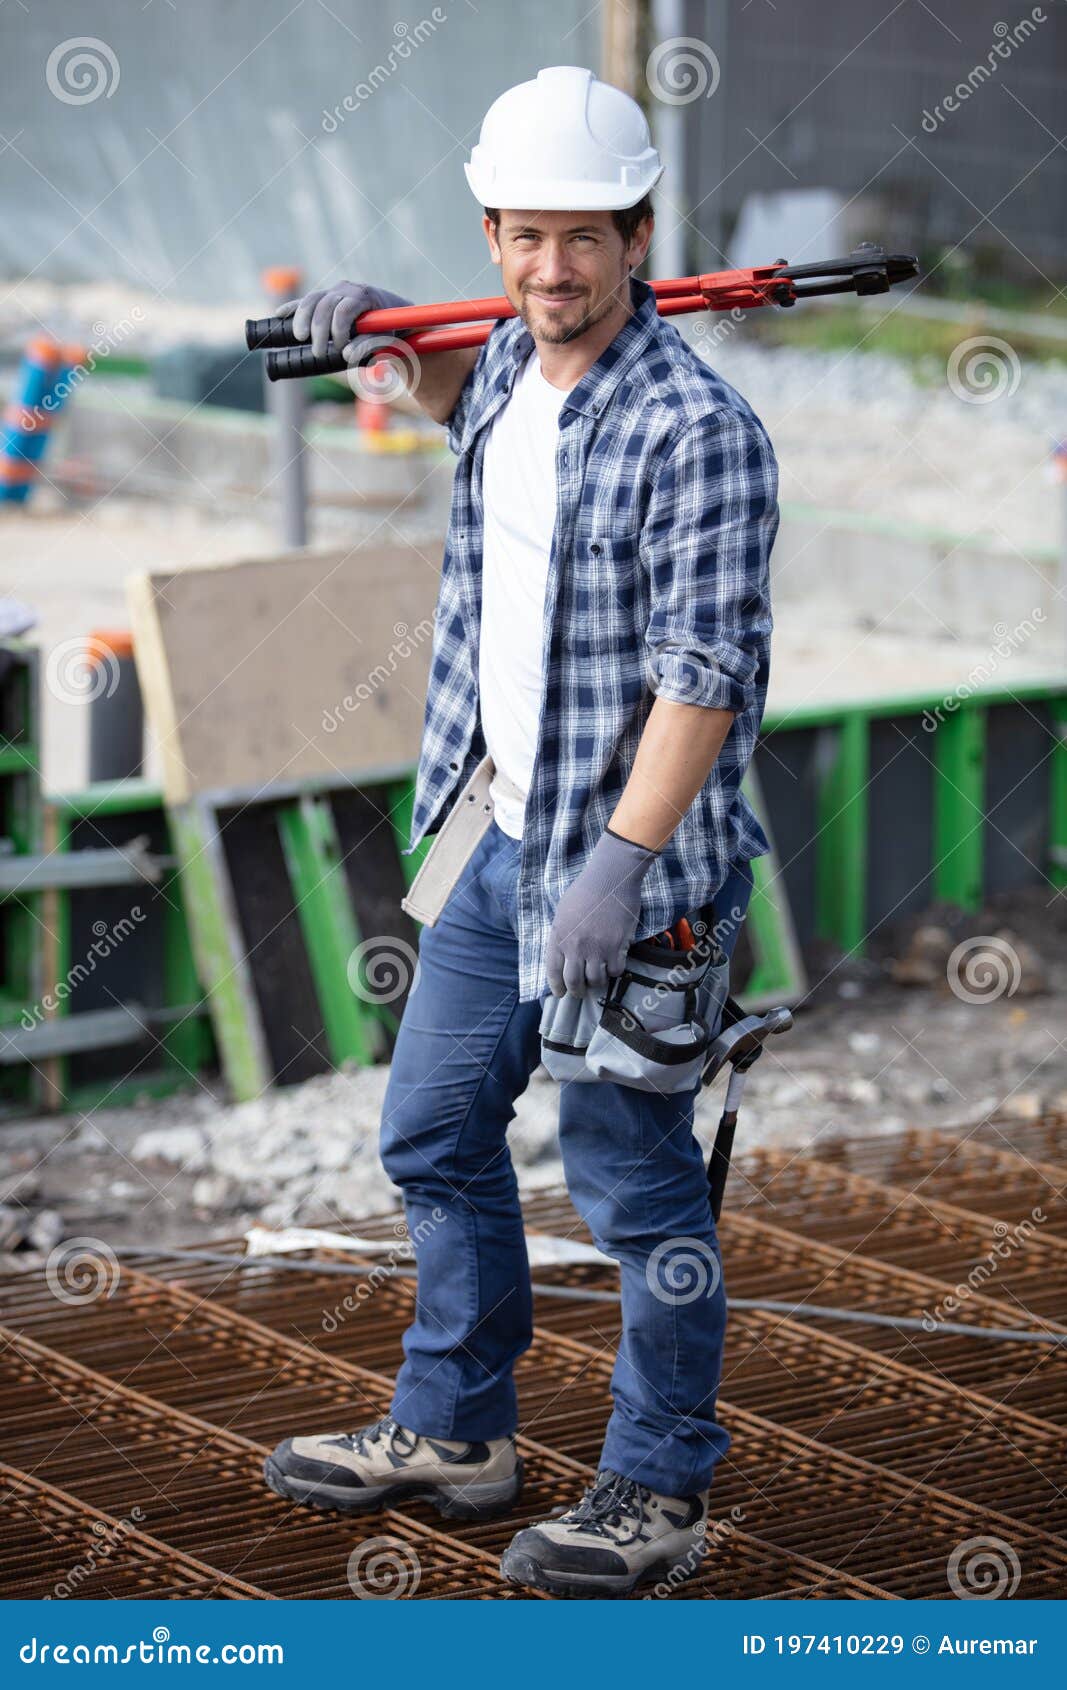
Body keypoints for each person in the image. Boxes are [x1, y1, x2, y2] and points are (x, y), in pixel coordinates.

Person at [264, 64, 779, 1599]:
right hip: (492, 829)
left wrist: (623, 860)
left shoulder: (702, 432)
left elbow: (706, 673)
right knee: (429, 1129)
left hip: (631, 868)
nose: (549, 268)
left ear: (637, 236)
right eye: (521, 237)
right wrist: (377, 337)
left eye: (581, 239)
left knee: (634, 1185)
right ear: (490, 235)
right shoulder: (499, 365)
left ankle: (658, 1483)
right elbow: (466, 417)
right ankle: (458, 1427)